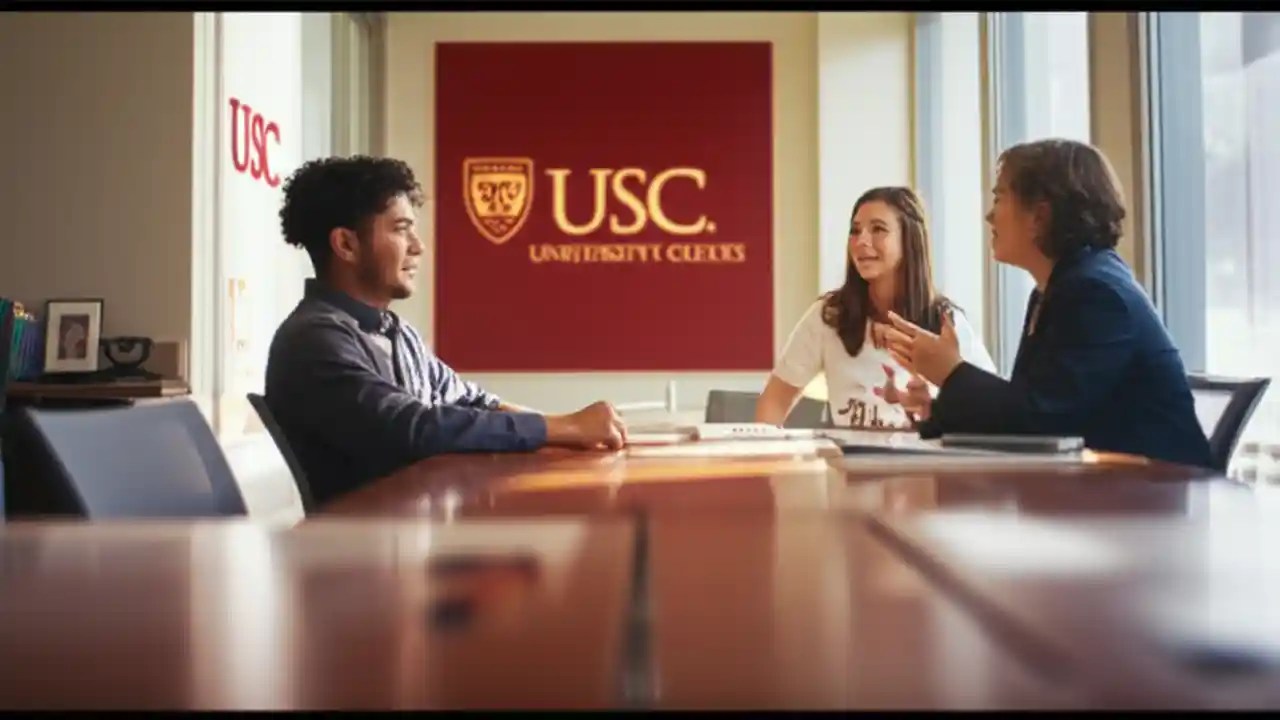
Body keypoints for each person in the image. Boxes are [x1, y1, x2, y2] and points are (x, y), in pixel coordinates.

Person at [265, 156, 627, 506]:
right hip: (357, 541)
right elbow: (415, 429)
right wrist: (566, 428)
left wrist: (566, 430)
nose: (418, 246)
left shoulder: (397, 332)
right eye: (401, 229)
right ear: (346, 244)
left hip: (412, 527)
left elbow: (473, 402)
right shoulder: (314, 339)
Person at [881, 138, 1212, 468]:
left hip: (1155, 493)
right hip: (1107, 489)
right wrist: (937, 406)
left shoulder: (1096, 293)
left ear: (1039, 216)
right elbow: (1029, 413)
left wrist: (951, 372)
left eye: (999, 198)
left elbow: (1041, 422)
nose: (989, 216)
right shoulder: (1059, 287)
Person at [755, 187, 996, 429]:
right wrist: (767, 449)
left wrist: (935, 406)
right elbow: (775, 401)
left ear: (909, 239)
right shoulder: (829, 315)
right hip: (850, 455)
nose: (861, 241)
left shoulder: (947, 322)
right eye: (855, 231)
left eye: (878, 229)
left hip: (925, 454)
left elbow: (991, 410)